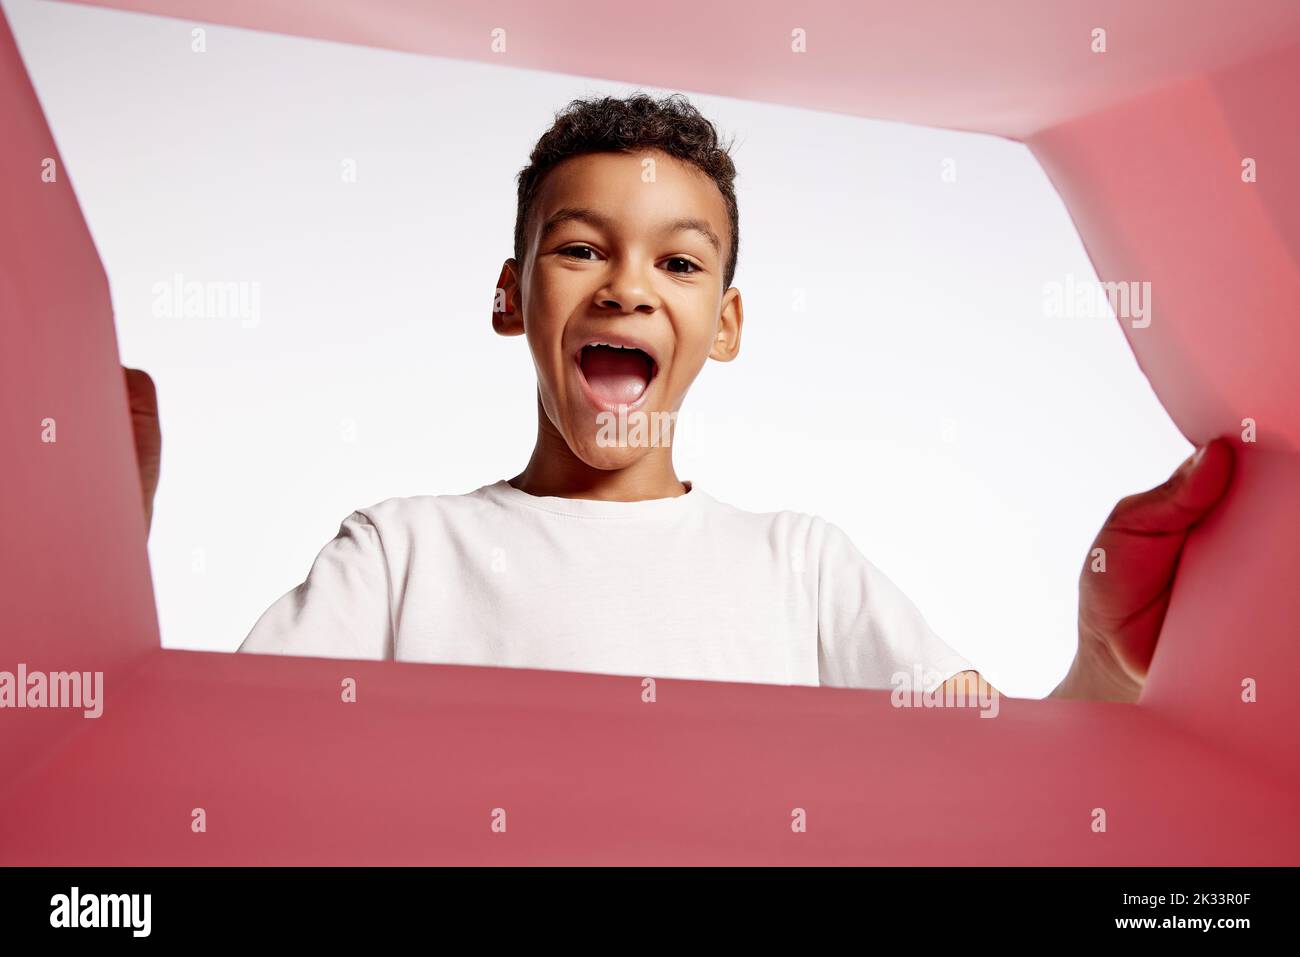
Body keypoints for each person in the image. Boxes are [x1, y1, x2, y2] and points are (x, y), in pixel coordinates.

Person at [122, 93, 1234, 701]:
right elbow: (224, 771)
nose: (626, 286)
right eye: (578, 249)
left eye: (680, 264)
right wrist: (101, 559)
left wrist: (1106, 668)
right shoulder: (398, 555)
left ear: (727, 326)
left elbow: (1001, 801)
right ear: (511, 297)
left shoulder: (802, 571)